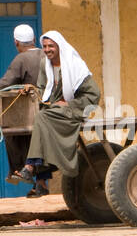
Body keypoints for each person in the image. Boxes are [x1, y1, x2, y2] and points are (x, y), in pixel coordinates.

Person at [7, 29, 101, 186]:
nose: (47, 49)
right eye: (44, 46)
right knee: (41, 118)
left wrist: (69, 104)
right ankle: (39, 176)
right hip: (54, 111)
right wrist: (32, 89)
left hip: (76, 110)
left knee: (42, 117)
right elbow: (45, 92)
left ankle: (30, 167)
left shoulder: (74, 64)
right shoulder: (46, 64)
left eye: (51, 46)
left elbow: (94, 95)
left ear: (59, 47)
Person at [0, 25, 46, 194]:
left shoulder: (21, 59)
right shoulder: (46, 55)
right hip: (49, 110)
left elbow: (7, 82)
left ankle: (18, 169)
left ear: (16, 42)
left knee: (12, 133)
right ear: (34, 40)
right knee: (36, 141)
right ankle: (41, 184)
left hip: (33, 112)